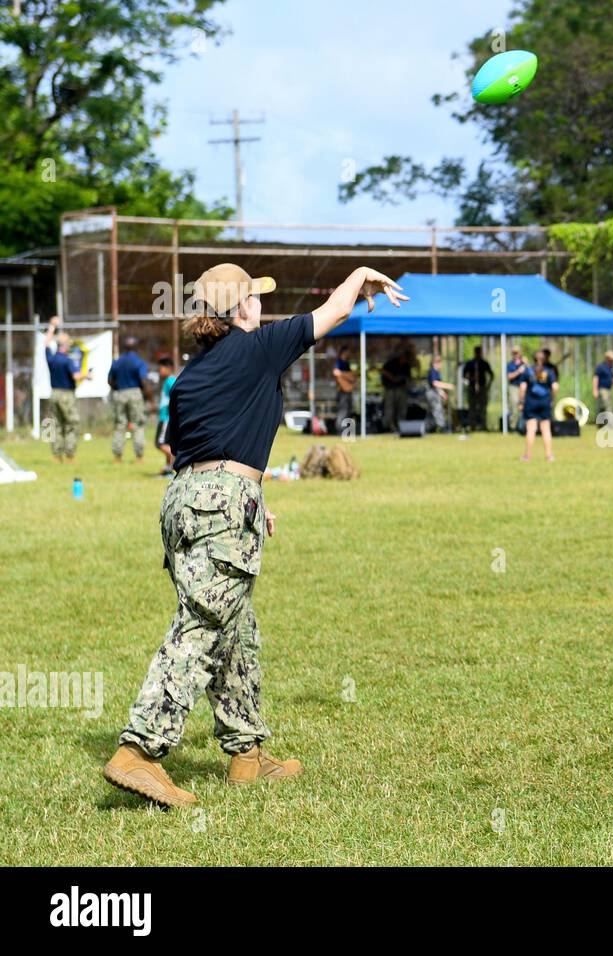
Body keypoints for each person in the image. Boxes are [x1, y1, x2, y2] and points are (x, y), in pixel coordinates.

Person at [102, 262, 406, 808]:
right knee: (202, 624)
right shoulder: (260, 345)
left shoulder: (189, 376)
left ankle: (246, 755)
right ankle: (139, 751)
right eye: (256, 299)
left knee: (235, 630)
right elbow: (333, 312)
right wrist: (361, 275)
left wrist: (252, 500)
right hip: (221, 505)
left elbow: (195, 449)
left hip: (184, 502)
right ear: (239, 308)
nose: (262, 307)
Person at [42, 316, 90, 462]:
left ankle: (56, 455)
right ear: (64, 346)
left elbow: (45, 343)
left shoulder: (51, 359)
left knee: (56, 425)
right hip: (66, 395)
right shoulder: (68, 360)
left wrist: (52, 327)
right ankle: (70, 455)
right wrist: (86, 375)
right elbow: (76, 377)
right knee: (71, 424)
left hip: (54, 393)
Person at [108, 336, 152, 463]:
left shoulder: (117, 362)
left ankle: (117, 456)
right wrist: (149, 397)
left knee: (120, 425)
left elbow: (110, 380)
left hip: (120, 393)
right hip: (135, 393)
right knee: (137, 424)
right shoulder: (139, 362)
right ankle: (139, 456)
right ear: (136, 348)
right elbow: (143, 380)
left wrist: (117, 388)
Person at [519, 350, 556, 462]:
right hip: (545, 402)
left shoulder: (528, 371)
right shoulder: (549, 372)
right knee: (546, 429)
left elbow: (522, 388)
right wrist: (552, 399)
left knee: (531, 429)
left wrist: (521, 402)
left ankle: (528, 456)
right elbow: (555, 387)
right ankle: (549, 455)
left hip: (531, 402)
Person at [380, 343, 417, 433]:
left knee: (402, 409)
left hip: (402, 389)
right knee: (390, 408)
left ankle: (401, 426)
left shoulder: (406, 366)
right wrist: (392, 377)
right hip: (390, 389)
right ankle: (388, 426)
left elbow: (408, 378)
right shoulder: (391, 363)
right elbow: (383, 371)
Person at [461, 344, 495, 431]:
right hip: (472, 387)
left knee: (483, 407)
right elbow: (463, 375)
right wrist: (470, 379)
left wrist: (488, 386)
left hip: (482, 387)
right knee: (472, 407)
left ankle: (483, 425)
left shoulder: (484, 363)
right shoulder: (470, 363)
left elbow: (491, 375)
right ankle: (472, 426)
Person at [155, 356, 178, 476]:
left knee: (160, 444)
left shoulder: (170, 381)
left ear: (168, 368)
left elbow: (176, 397)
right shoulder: (167, 381)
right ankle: (167, 468)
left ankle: (176, 460)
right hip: (164, 417)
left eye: (161, 368)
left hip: (166, 418)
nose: (159, 371)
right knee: (166, 444)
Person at [332, 345, 358, 433]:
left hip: (348, 390)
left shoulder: (347, 363)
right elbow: (336, 373)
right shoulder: (339, 362)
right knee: (343, 410)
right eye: (348, 352)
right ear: (344, 352)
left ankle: (346, 429)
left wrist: (348, 377)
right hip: (342, 391)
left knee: (348, 410)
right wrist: (348, 377)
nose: (349, 354)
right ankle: (340, 429)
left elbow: (352, 377)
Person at [425, 354, 454, 432]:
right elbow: (435, 383)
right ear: (435, 363)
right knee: (437, 409)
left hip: (435, 392)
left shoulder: (436, 372)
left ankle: (428, 427)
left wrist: (442, 393)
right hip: (432, 394)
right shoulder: (433, 371)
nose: (440, 365)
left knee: (431, 411)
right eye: (439, 363)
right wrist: (447, 386)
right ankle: (442, 426)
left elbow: (437, 387)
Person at [593, 350, 613, 420]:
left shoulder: (612, 368)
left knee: (605, 406)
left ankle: (600, 422)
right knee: (607, 405)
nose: (612, 362)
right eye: (611, 360)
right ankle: (611, 423)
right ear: (607, 359)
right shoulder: (600, 367)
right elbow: (596, 378)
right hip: (602, 389)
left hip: (610, 389)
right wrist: (595, 390)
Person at [506, 346, 528, 429]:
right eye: (514, 353)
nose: (516, 354)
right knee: (514, 406)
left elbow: (531, 373)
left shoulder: (524, 363)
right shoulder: (510, 365)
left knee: (524, 406)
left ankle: (523, 426)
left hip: (524, 386)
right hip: (514, 387)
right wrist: (518, 371)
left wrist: (526, 364)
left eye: (517, 353)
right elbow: (509, 376)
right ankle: (513, 427)